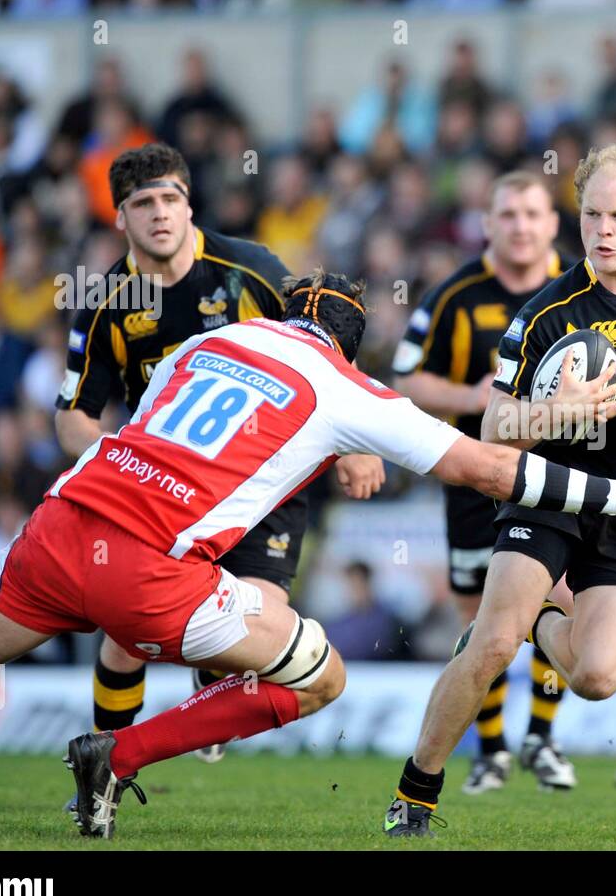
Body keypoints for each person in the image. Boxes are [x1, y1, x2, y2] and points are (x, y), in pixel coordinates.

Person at [0, 269, 616, 839]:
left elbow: (152, 432)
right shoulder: (347, 388)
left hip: (57, 525)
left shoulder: (209, 340)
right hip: (148, 566)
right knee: (321, 677)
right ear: (351, 349)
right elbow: (484, 466)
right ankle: (120, 755)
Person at [381, 143, 616, 837]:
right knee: (491, 641)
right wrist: (562, 410)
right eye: (590, 215)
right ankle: (415, 796)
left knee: (597, 677)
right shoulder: (548, 309)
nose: (603, 231)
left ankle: (539, 622)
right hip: (551, 493)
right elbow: (495, 425)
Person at [54, 142, 383, 771]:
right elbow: (72, 414)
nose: (160, 213)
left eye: (170, 198)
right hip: (163, 494)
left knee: (256, 632)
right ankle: (100, 768)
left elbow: (327, 344)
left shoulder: (251, 269)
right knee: (126, 640)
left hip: (266, 490)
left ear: (189, 204)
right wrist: (110, 463)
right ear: (119, 218)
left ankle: (205, 702)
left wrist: (356, 444)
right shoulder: (105, 303)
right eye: (142, 203)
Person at [393, 171, 579, 793]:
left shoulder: (581, 286)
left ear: (553, 223)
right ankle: (491, 749)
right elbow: (405, 379)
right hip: (480, 475)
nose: (521, 226)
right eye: (508, 215)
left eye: (533, 213)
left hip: (563, 472)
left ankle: (542, 738)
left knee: (563, 600)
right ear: (488, 224)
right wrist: (467, 394)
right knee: (480, 616)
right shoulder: (454, 295)